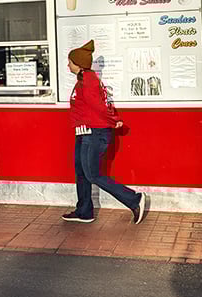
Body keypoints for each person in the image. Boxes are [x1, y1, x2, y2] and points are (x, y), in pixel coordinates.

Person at [62, 40, 147, 225]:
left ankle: (134, 199)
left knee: (92, 174)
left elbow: (99, 107)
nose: (67, 64)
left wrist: (114, 121)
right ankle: (84, 211)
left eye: (69, 61)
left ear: (77, 63)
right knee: (81, 173)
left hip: (94, 133)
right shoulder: (83, 79)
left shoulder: (89, 80)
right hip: (83, 132)